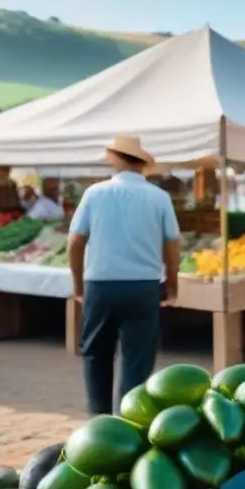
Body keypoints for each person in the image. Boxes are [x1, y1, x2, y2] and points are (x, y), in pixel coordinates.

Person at [68, 136, 181, 416]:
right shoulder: (159, 197)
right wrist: (172, 283)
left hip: (100, 285)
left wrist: (78, 286)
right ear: (142, 163)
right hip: (144, 287)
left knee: (96, 354)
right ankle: (130, 420)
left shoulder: (95, 193)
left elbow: (75, 242)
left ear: (114, 158)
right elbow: (172, 245)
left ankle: (99, 419)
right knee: (137, 360)